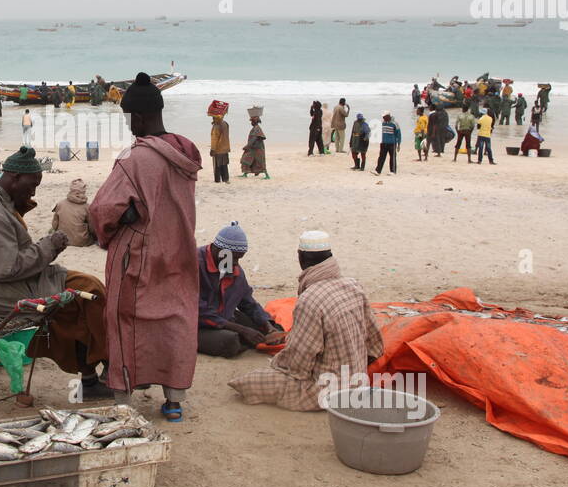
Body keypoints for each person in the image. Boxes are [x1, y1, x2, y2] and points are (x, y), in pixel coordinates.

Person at [89, 72, 202, 421]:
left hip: (138, 256)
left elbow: (102, 209)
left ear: (137, 117)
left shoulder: (135, 159)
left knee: (125, 320)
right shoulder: (185, 155)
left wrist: (106, 228)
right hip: (180, 249)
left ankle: (123, 400)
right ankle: (173, 402)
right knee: (175, 319)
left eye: (128, 119)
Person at [0, 147, 111, 398]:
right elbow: (5, 268)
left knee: (89, 289)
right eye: (31, 186)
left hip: (14, 281)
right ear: (14, 178)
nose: (33, 192)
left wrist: (24, 211)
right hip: (0, 291)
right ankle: (108, 367)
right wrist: (48, 247)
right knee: (90, 292)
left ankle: (94, 374)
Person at [229, 230, 383, 411]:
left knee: (249, 382)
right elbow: (374, 342)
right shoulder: (353, 285)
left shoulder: (310, 299)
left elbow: (298, 362)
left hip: (328, 389)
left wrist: (278, 365)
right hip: (358, 381)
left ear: (301, 258)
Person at [196, 222, 285, 358]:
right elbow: (198, 311)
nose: (236, 263)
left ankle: (248, 336)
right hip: (196, 324)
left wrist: (268, 327)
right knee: (231, 341)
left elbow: (248, 302)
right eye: (234, 257)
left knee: (275, 330)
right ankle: (240, 338)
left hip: (224, 317)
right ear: (217, 250)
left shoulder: (232, 267)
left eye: (239, 258)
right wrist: (242, 329)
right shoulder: (194, 264)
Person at [51, 178, 95, 246]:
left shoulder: (60, 204)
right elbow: (92, 228)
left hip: (63, 240)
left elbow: (54, 224)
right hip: (81, 241)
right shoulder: (87, 207)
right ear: (84, 192)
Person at [239, 106, 269, 179]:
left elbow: (254, 138)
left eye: (251, 121)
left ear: (254, 121)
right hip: (253, 148)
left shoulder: (257, 128)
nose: (251, 122)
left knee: (259, 162)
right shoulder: (255, 128)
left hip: (257, 149)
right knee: (246, 160)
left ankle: (267, 175)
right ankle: (245, 173)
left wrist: (247, 146)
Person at [209, 109, 230, 183]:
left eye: (213, 117)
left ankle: (217, 180)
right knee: (224, 164)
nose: (212, 118)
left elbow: (215, 138)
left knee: (217, 165)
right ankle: (226, 179)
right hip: (225, 148)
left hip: (218, 149)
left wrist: (213, 149)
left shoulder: (217, 126)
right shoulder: (225, 124)